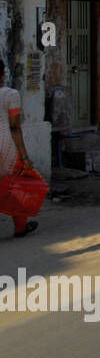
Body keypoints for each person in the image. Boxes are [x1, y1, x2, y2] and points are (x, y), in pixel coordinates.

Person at [0, 57, 39, 237]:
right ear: (3, 74)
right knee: (15, 186)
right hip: (6, 145)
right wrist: (24, 156)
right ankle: (20, 227)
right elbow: (15, 127)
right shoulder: (10, 95)